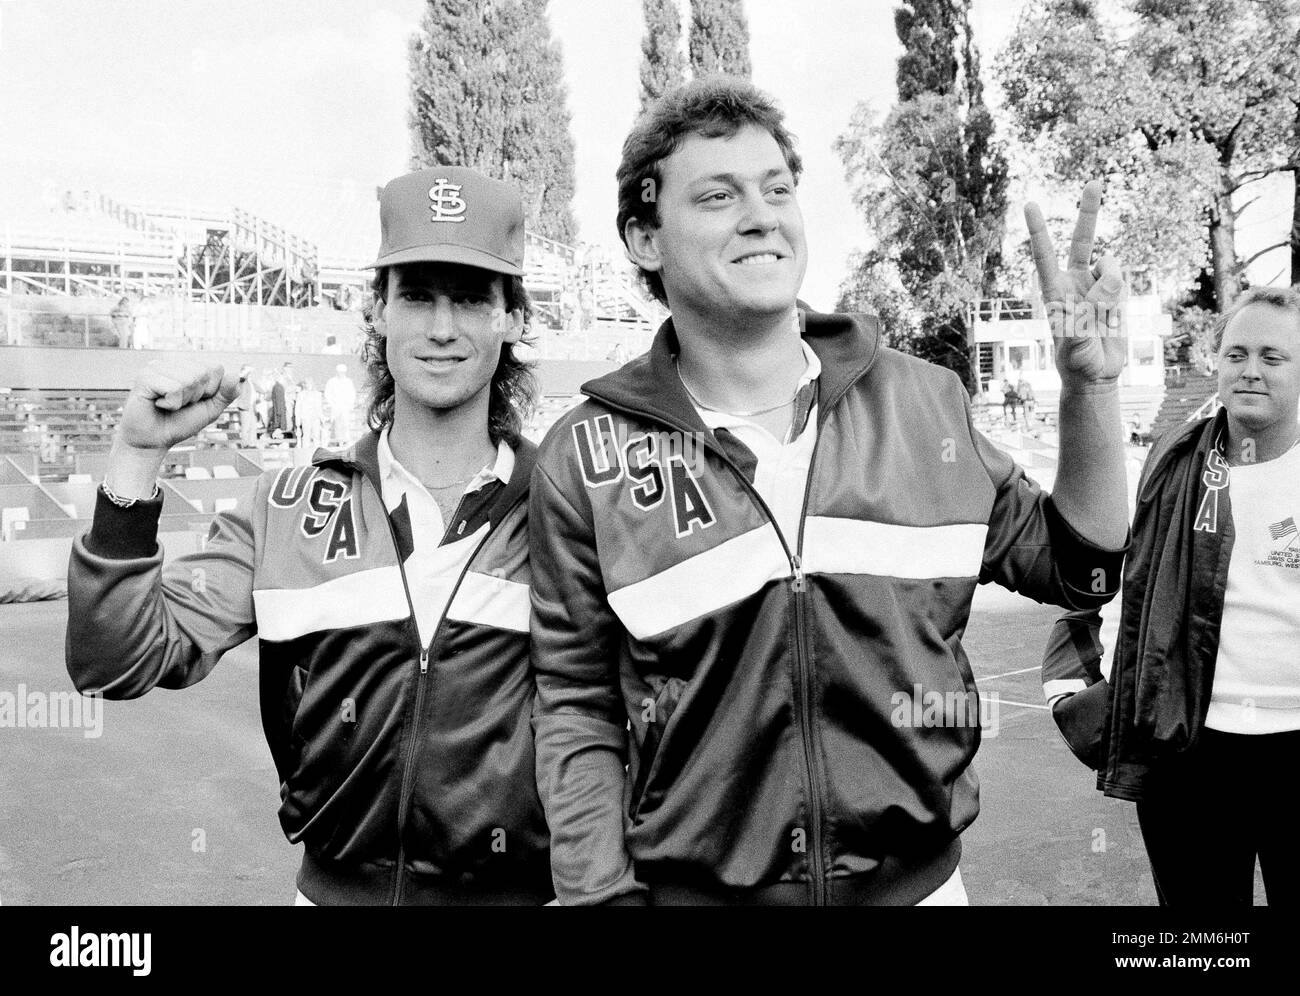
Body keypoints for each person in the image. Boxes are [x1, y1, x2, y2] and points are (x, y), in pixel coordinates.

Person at [528, 77, 1131, 906]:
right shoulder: (585, 455)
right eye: (718, 195)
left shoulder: (924, 402)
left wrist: (1090, 392)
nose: (761, 215)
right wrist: (598, 898)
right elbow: (576, 705)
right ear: (643, 237)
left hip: (920, 892)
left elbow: (1080, 569)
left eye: (777, 189)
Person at [65, 165, 552, 905]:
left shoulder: (572, 511)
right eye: (416, 295)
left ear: (511, 318)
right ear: (377, 312)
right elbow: (113, 664)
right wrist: (137, 456)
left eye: (471, 298)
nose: (442, 327)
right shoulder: (286, 506)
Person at [1042, 285, 1300, 906]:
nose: (1251, 371)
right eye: (1236, 354)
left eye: (1273, 356)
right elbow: (1119, 583)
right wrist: (1099, 686)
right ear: (1215, 362)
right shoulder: (1173, 460)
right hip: (1188, 747)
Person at [324, 363, 357, 446]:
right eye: (340, 372)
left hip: (345, 407)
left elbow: (352, 394)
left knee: (345, 424)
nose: (341, 374)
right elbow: (327, 394)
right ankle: (337, 442)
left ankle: (345, 442)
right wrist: (332, 403)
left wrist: (349, 404)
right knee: (335, 425)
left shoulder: (348, 382)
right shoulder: (332, 381)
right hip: (335, 407)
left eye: (342, 372)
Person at [293, 377, 324, 464]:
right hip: (305, 418)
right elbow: (298, 408)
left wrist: (322, 419)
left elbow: (319, 407)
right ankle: (305, 458)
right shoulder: (301, 395)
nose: (308, 385)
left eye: (309, 383)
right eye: (306, 383)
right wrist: (297, 420)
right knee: (306, 437)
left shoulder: (317, 394)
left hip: (315, 418)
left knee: (316, 437)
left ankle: (318, 458)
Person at [235, 364, 258, 448]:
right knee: (246, 427)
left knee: (252, 426)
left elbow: (261, 390)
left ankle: (252, 444)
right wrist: (246, 371)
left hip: (251, 406)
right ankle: (245, 444)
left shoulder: (250, 382)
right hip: (244, 406)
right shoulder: (242, 381)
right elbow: (241, 377)